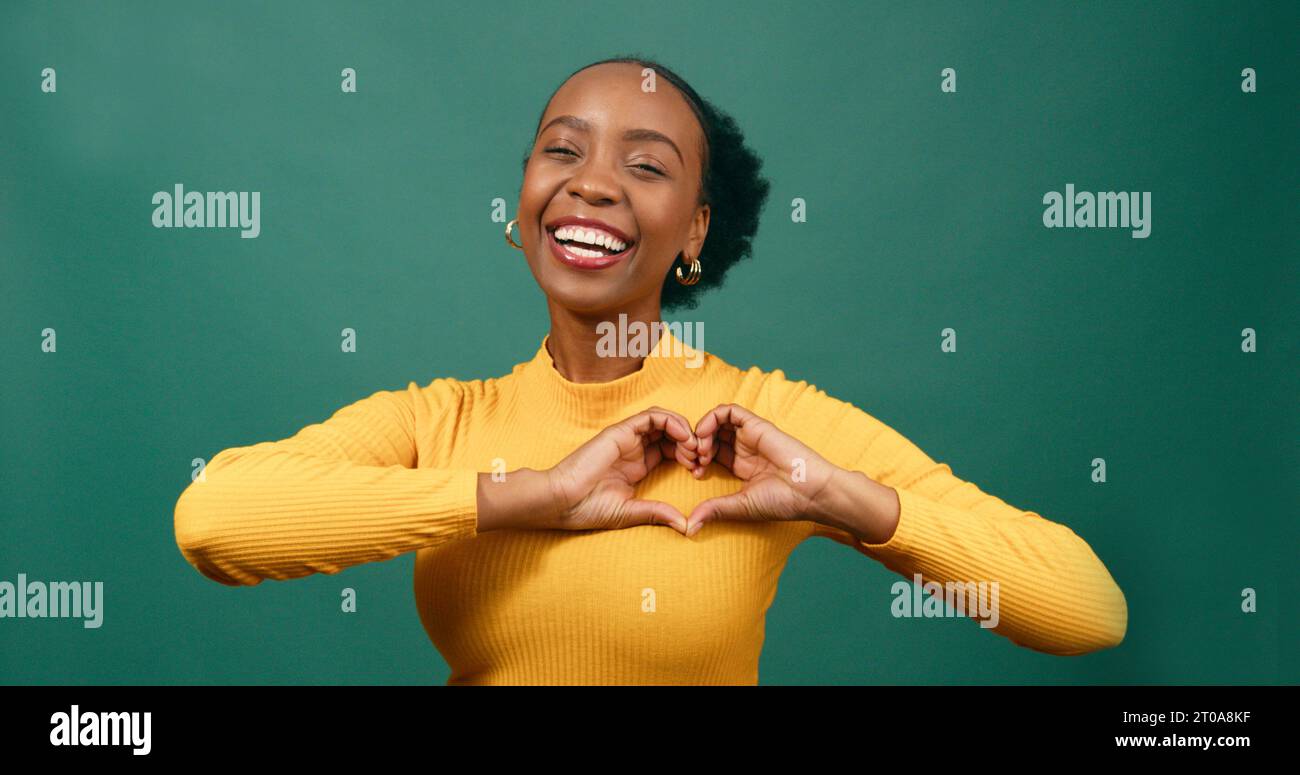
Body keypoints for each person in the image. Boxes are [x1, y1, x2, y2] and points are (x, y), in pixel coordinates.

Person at [173, 55, 1127, 684]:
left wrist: (850, 504)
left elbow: (1087, 607)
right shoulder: (444, 423)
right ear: (524, 204)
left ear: (694, 233)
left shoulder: (759, 426)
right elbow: (213, 520)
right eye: (562, 151)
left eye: (647, 165)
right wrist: (529, 495)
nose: (592, 181)